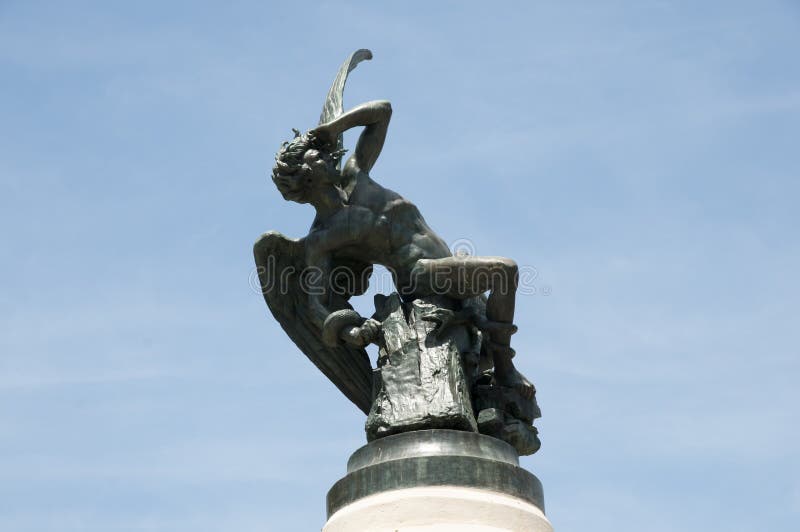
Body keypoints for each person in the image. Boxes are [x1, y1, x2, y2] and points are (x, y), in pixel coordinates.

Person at [271, 100, 532, 397]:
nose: (328, 155)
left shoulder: (356, 174)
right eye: (317, 157)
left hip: (445, 262)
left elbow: (383, 112)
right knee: (504, 271)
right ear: (304, 175)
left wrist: (334, 127)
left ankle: (496, 373)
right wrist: (349, 331)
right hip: (419, 275)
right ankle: (504, 368)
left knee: (479, 344)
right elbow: (316, 304)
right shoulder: (323, 237)